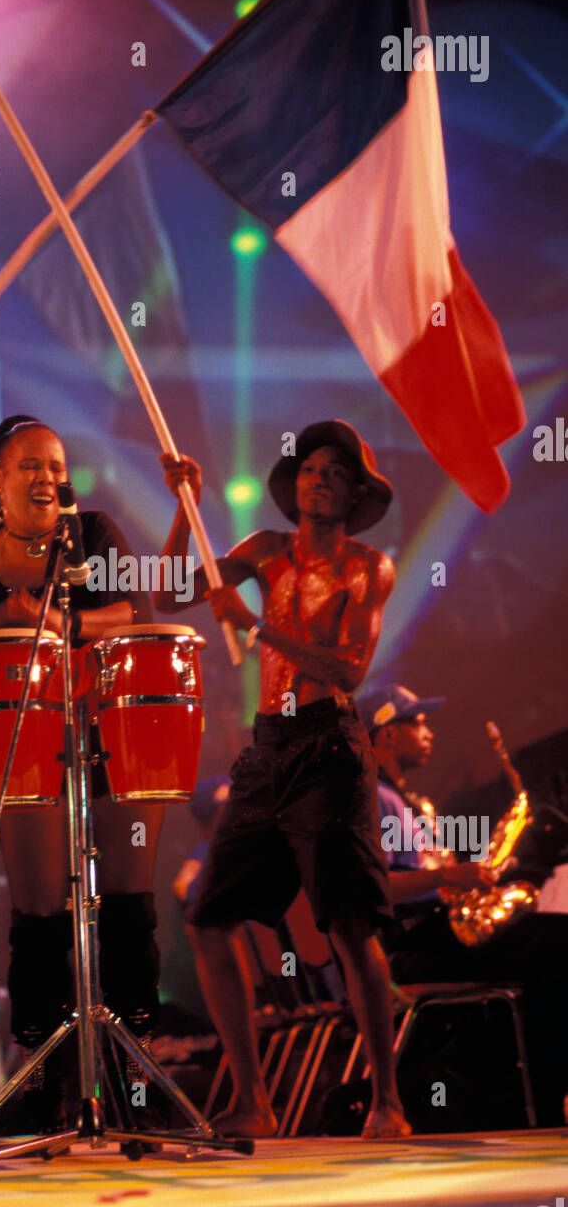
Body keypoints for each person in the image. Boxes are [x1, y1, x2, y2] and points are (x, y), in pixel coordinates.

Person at [0, 415, 164, 1126]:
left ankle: (133, 1072)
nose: (48, 477)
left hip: (108, 725)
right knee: (41, 912)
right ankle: (46, 1080)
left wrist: (61, 627)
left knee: (126, 904)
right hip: (20, 740)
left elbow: (131, 612)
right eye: (31, 466)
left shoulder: (94, 535)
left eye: (55, 465)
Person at [156, 420, 410, 1139]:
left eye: (334, 472)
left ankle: (387, 1101)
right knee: (207, 918)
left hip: (329, 747)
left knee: (349, 923)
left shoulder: (368, 567)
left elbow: (350, 670)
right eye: (308, 470)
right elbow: (173, 596)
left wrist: (256, 627)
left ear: (355, 492)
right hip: (267, 750)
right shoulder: (264, 553)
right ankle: (251, 1100)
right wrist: (185, 509)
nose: (317, 480)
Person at [360, 682, 568, 1127]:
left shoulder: (406, 802)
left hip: (439, 932)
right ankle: (547, 1101)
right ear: (387, 734)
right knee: (558, 945)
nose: (429, 731)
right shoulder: (376, 799)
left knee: (551, 941)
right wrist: (448, 876)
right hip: (418, 945)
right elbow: (372, 888)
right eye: (417, 722)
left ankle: (526, 1096)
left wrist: (463, 881)